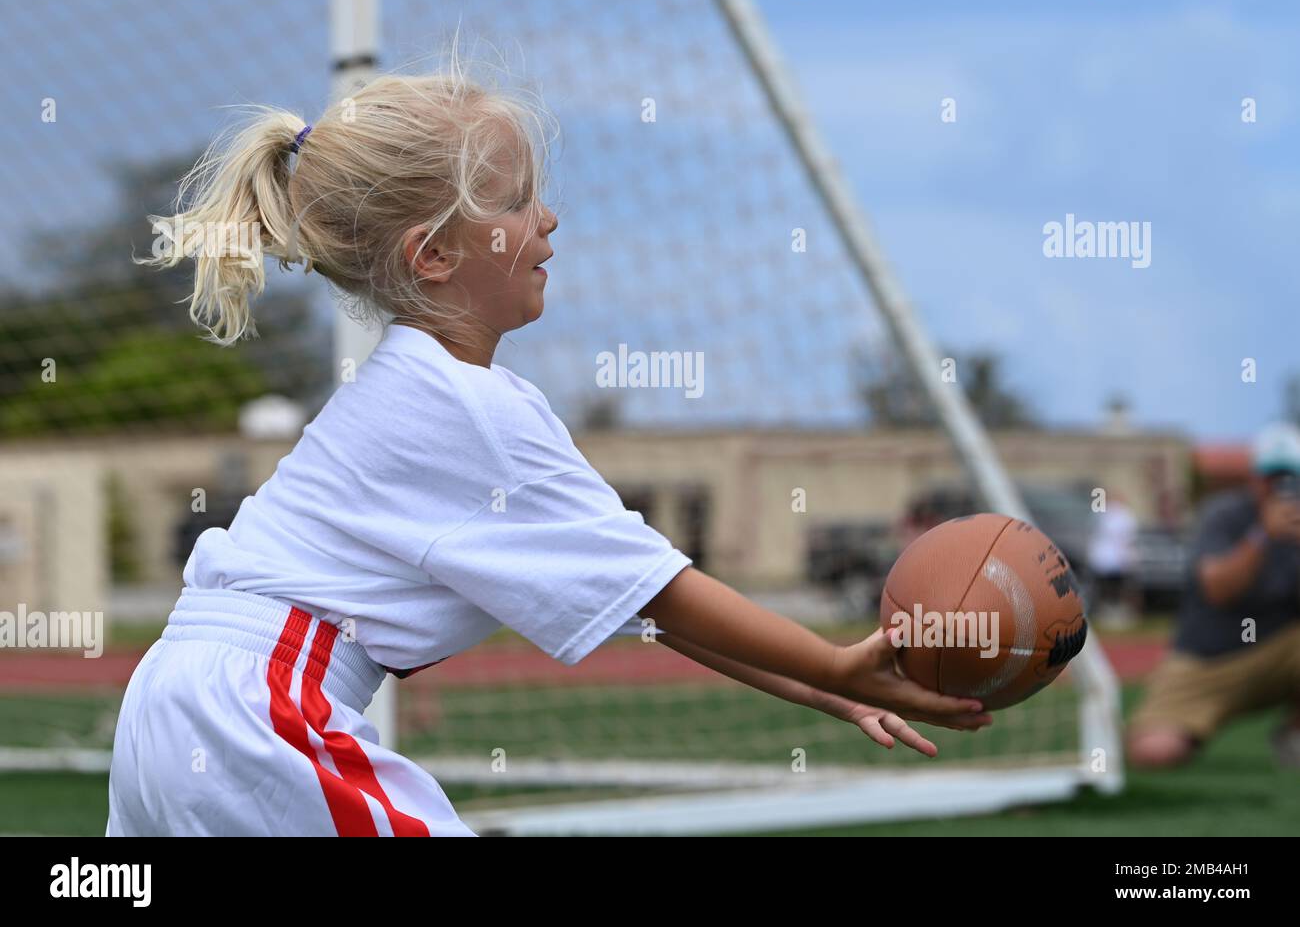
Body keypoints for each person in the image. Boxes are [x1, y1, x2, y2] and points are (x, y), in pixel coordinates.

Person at [108, 59, 991, 836]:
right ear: (436, 254)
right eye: (516, 201)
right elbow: (668, 594)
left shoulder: (431, 395)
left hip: (177, 702)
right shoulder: (468, 410)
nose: (549, 220)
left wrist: (819, 687)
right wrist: (838, 662)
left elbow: (631, 595)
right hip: (259, 710)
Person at [1127, 423, 1300, 769]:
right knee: (1153, 754)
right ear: (1254, 479)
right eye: (1272, 476)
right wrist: (1263, 536)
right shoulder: (1223, 515)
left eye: (1290, 477)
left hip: (1281, 654)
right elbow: (1217, 590)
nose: (1282, 487)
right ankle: (1154, 731)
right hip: (1209, 660)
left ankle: (1293, 738)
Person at [1087, 492, 1140, 629]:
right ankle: (1107, 611)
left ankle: (1117, 612)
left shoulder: (1123, 515)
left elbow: (1126, 537)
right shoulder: (1107, 514)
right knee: (1107, 587)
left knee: (1117, 586)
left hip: (1116, 557)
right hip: (1107, 558)